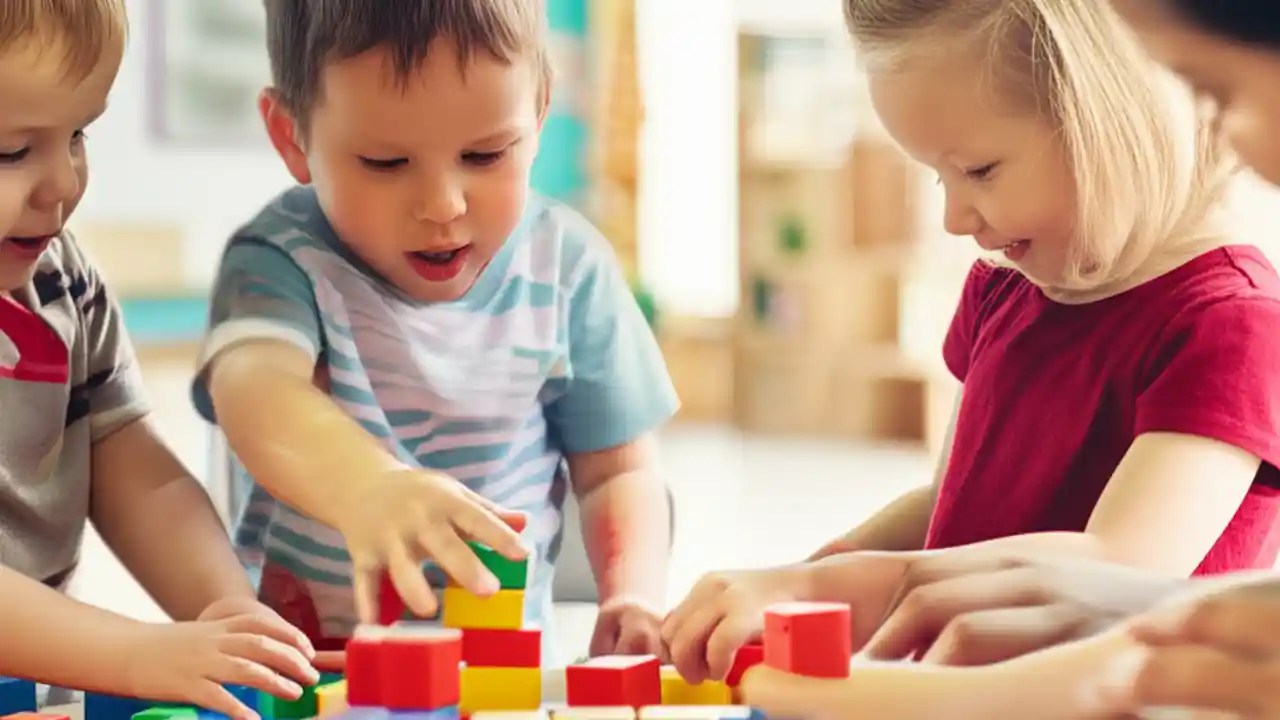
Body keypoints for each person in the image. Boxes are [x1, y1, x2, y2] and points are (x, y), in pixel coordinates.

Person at [664, 0, 1280, 694]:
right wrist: (816, 576)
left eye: (980, 170)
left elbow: (1115, 567)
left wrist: (829, 583)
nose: (954, 218)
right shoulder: (1001, 290)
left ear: (1109, 118)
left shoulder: (1233, 321)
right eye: (938, 176)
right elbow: (946, 500)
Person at [192, 0, 676, 662]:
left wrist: (633, 594)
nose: (442, 204)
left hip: (497, 669)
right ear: (291, 136)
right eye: (385, 162)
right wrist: (366, 486)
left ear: (538, 111)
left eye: (485, 153)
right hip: (316, 670)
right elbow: (253, 390)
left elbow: (618, 471)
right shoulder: (280, 261)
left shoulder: (569, 268)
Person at [0, 2, 318, 718]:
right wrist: (136, 654)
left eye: (77, 135)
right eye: (12, 152)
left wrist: (227, 612)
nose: (61, 185)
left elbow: (133, 467)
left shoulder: (61, 279)